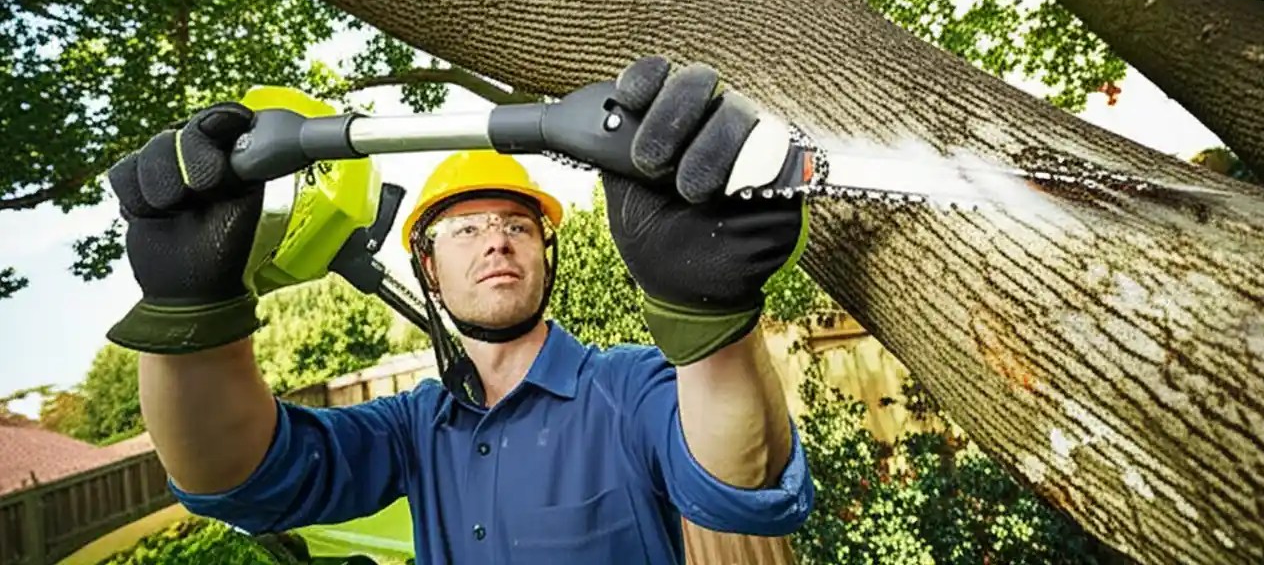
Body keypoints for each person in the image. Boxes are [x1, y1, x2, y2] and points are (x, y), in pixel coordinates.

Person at [103, 55, 814, 564]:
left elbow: (741, 481)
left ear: (546, 254)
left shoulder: (629, 387)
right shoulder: (413, 428)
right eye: (465, 230)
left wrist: (705, 308)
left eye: (517, 225)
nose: (496, 241)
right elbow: (236, 476)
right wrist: (186, 309)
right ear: (429, 271)